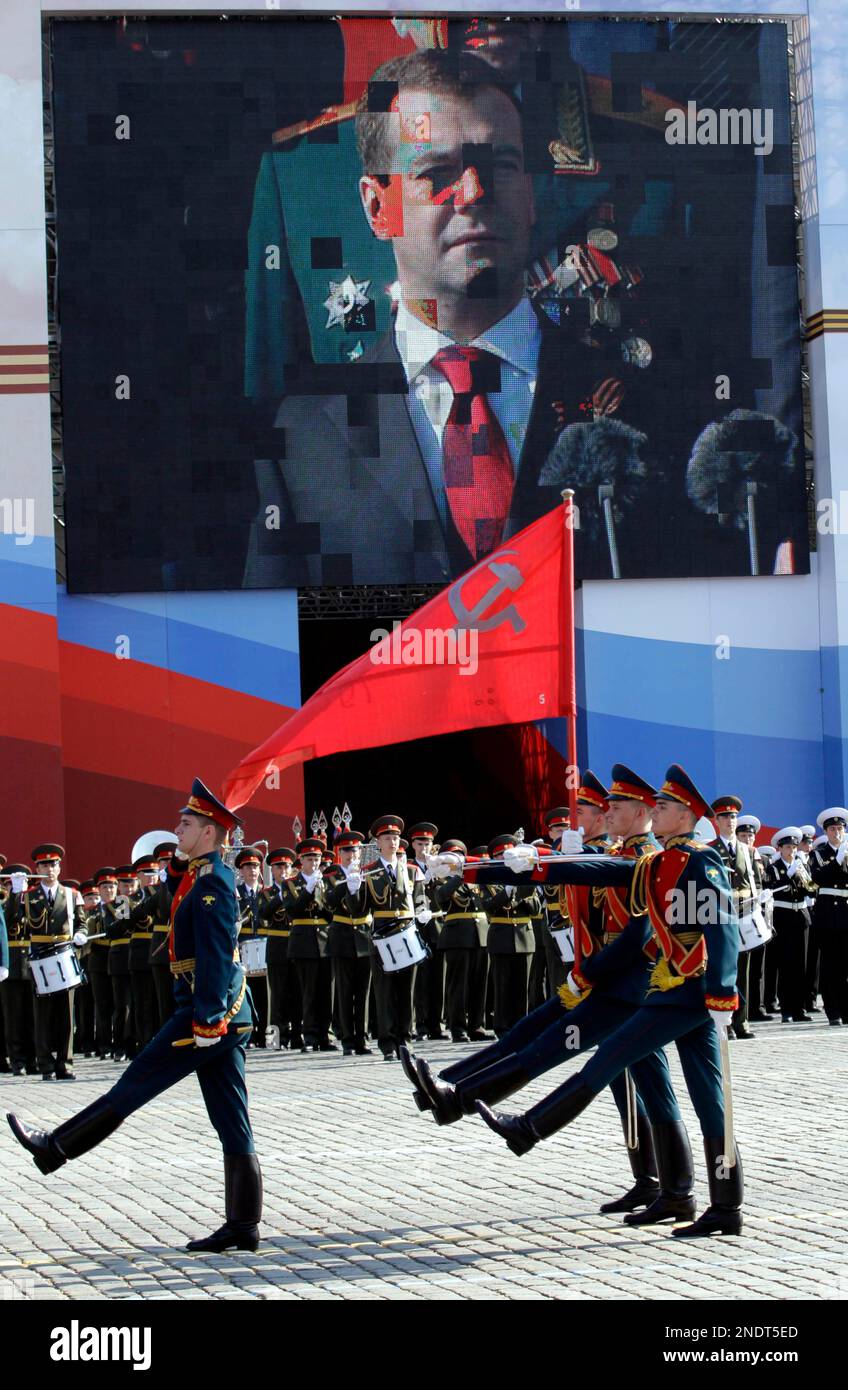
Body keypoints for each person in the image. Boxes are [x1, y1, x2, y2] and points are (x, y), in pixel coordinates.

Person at [243, 48, 647, 587]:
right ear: (376, 207)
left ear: (529, 193)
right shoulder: (302, 440)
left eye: (500, 165)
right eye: (436, 172)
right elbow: (282, 650)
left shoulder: (636, 406)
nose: (474, 193)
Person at [472, 765, 743, 1239]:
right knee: (707, 1096)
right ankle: (703, 1201)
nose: (654, 813)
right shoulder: (657, 863)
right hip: (675, 987)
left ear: (686, 815)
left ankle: (530, 1128)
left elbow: (722, 928)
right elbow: (599, 868)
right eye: (654, 805)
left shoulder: (702, 861)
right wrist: (506, 867)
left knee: (613, 1053)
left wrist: (722, 990)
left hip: (689, 990)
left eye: (662, 807)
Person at [406, 768, 680, 1219]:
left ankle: (455, 1097)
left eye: (604, 808)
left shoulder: (643, 858)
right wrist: (469, 869)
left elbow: (636, 937)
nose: (600, 815)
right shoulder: (608, 852)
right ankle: (660, 1185)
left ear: (642, 811)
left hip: (622, 986)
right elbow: (548, 873)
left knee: (545, 1046)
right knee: (641, 1085)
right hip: (606, 982)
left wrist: (586, 975)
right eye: (601, 807)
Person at [7, 778, 263, 1254]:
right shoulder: (201, 876)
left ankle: (55, 1148)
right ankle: (243, 1226)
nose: (176, 829)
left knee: (132, 1086)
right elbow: (175, 902)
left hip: (208, 1012)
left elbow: (211, 953)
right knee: (232, 1118)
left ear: (209, 832)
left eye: (185, 824)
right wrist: (175, 868)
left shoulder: (214, 885)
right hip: (219, 1010)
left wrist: (207, 1020)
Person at [21, 845, 87, 1082]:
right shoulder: (27, 896)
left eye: (54, 864)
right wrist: (13, 896)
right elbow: (11, 922)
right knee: (43, 1015)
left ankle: (65, 1063)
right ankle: (45, 1064)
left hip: (64, 954)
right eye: (45, 865)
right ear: (37, 869)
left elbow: (81, 923)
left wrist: (81, 934)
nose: (50, 869)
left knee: (66, 1014)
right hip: (40, 956)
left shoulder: (72, 894)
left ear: (59, 867)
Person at [279, 838, 336, 1051]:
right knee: (307, 992)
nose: (314, 863)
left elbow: (331, 913)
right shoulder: (290, 884)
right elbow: (293, 911)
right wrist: (308, 890)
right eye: (309, 859)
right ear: (301, 860)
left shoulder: (328, 882)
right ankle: (309, 1035)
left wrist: (320, 893)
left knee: (326, 992)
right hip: (303, 942)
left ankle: (326, 1035)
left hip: (325, 940)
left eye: (317, 859)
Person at [709, 797, 758, 1040]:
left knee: (744, 971)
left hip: (744, 916)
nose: (730, 821)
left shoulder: (748, 851)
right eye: (725, 817)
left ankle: (742, 1020)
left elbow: (754, 883)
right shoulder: (709, 849)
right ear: (716, 821)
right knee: (725, 969)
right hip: (721, 918)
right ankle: (725, 1021)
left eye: (733, 817)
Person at [432, 839, 490, 1042]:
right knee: (458, 986)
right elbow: (442, 897)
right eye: (452, 856)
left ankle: (477, 1026)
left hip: (480, 934)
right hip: (457, 936)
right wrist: (459, 875)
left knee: (479, 984)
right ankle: (458, 1028)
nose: (456, 860)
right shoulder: (440, 877)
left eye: (459, 857)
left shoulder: (474, 879)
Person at [324, 829, 373, 1055]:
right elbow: (329, 902)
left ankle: (362, 1039)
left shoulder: (368, 873)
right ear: (339, 852)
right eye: (346, 851)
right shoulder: (331, 875)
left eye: (354, 851)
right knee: (344, 992)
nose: (350, 855)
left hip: (363, 935)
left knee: (363, 992)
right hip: (342, 935)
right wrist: (347, 883)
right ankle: (347, 1040)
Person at [764, 827, 813, 1023]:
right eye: (787, 847)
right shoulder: (773, 868)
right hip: (782, 916)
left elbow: (813, 891)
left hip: (800, 915)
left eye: (794, 847)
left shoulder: (802, 866)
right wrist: (788, 876)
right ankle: (786, 1010)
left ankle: (799, 1008)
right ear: (780, 848)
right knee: (785, 964)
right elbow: (770, 890)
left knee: (801, 965)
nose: (791, 851)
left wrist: (807, 879)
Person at [259, 846, 302, 1050]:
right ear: (272, 870)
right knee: (277, 995)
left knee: (297, 993)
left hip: (296, 943)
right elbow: (264, 914)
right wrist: (280, 896)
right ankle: (275, 1039)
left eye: (286, 866)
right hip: (276, 945)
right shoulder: (267, 893)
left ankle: (296, 1038)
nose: (283, 870)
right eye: (278, 866)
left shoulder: (298, 888)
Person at [808, 807, 848, 1025]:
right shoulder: (818, 854)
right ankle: (833, 1011)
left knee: (846, 965)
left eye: (840, 828)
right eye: (833, 829)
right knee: (831, 965)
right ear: (826, 831)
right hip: (828, 914)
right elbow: (816, 879)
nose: (837, 832)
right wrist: (836, 860)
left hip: (846, 910)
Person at [1, 863, 37, 1075]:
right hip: (12, 966)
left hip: (33, 965)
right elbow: (7, 919)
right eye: (11, 884)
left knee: (33, 1018)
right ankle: (17, 1061)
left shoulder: (34, 902)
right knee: (13, 1019)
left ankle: (33, 1059)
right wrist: (14, 895)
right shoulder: (5, 904)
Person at [235, 847, 268, 1047]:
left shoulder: (266, 893)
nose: (252, 870)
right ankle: (249, 1036)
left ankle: (265, 1034)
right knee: (246, 993)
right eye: (248, 867)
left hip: (264, 945)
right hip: (243, 946)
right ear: (240, 871)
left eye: (255, 866)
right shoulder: (236, 894)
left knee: (265, 993)